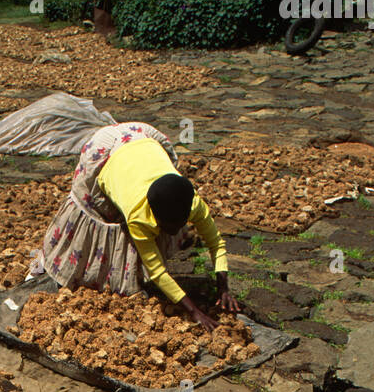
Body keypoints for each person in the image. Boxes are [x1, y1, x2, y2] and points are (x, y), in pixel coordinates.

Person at [34, 121, 239, 333]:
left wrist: (223, 287)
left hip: (142, 141)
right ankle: (49, 261)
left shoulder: (193, 204)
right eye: (166, 226)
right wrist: (194, 311)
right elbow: (158, 271)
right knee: (102, 217)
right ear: (154, 215)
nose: (172, 232)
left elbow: (217, 243)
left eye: (179, 225)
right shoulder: (138, 215)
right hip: (104, 153)